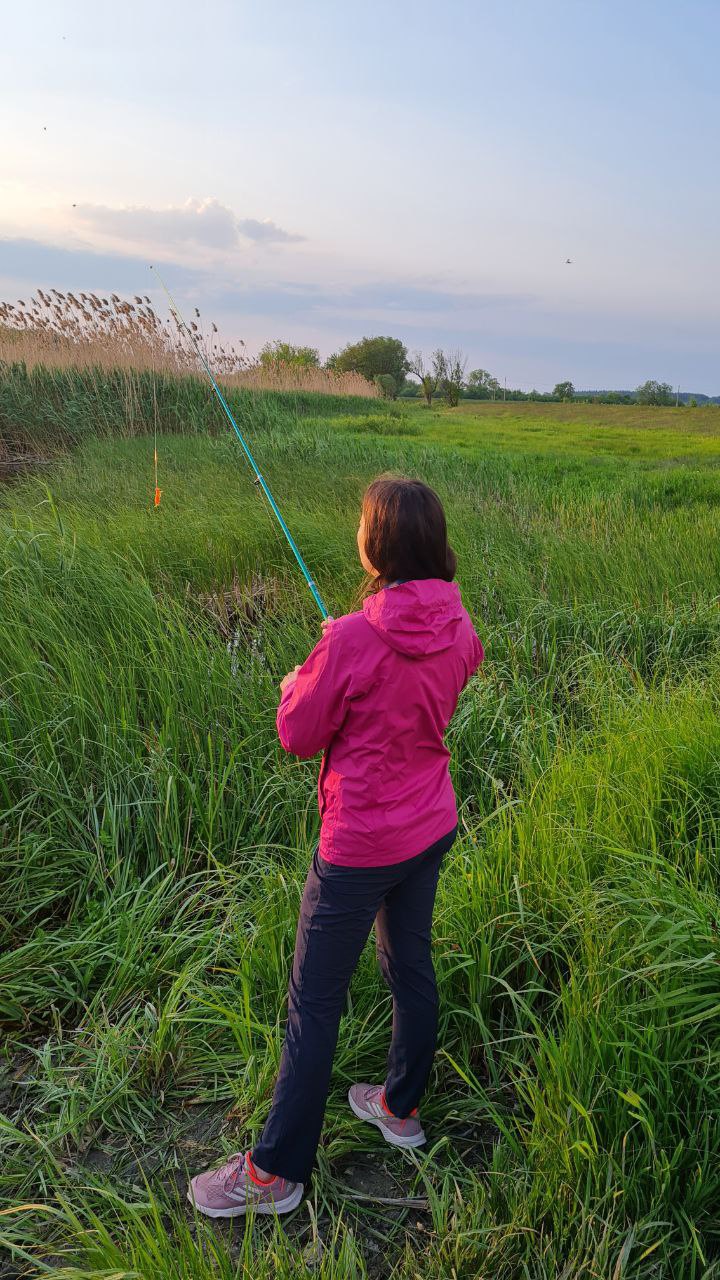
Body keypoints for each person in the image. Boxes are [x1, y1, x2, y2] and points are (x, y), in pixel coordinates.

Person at [189, 475, 484, 1218]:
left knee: (313, 1003)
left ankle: (275, 1173)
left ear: (375, 542)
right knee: (410, 966)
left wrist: (300, 681)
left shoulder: (349, 638)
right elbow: (446, 677)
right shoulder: (460, 625)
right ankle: (398, 1106)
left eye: (362, 521)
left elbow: (297, 734)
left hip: (360, 846)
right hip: (429, 827)